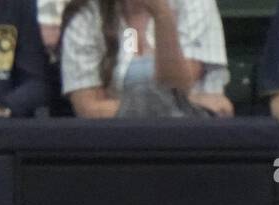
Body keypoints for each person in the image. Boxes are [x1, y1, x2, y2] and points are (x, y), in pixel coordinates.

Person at [60, 0, 232, 117]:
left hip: (192, 135)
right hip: (118, 139)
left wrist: (162, 15)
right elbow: (88, 108)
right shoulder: (90, 14)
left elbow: (177, 84)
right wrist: (181, 104)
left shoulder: (193, 4)